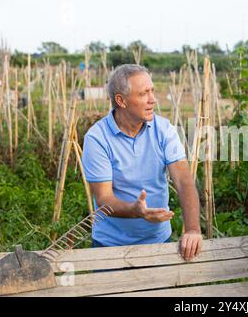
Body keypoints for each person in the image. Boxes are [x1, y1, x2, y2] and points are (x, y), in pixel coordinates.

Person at [82, 64, 202, 260]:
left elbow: (184, 181)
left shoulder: (164, 130)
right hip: (110, 246)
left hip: (158, 242)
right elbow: (104, 199)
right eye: (144, 93)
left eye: (152, 91)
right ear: (121, 100)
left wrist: (193, 229)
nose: (152, 100)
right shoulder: (97, 138)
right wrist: (137, 211)